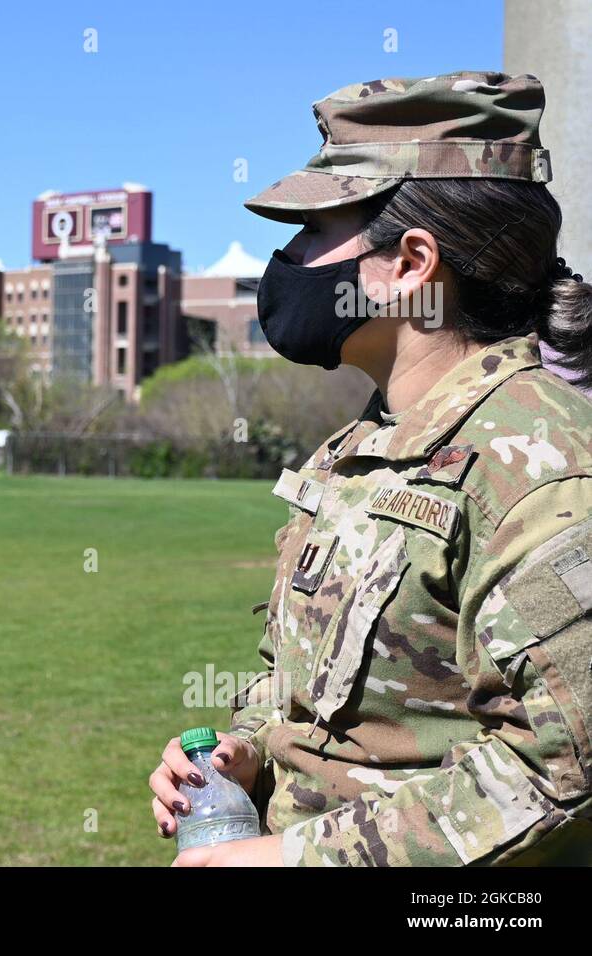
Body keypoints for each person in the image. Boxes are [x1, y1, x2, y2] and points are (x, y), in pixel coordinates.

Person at [149, 71, 592, 866]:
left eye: (315, 229)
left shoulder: (542, 465)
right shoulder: (368, 446)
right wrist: (243, 751)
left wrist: (295, 859)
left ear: (414, 261)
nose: (290, 260)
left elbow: (566, 766)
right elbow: (314, 690)